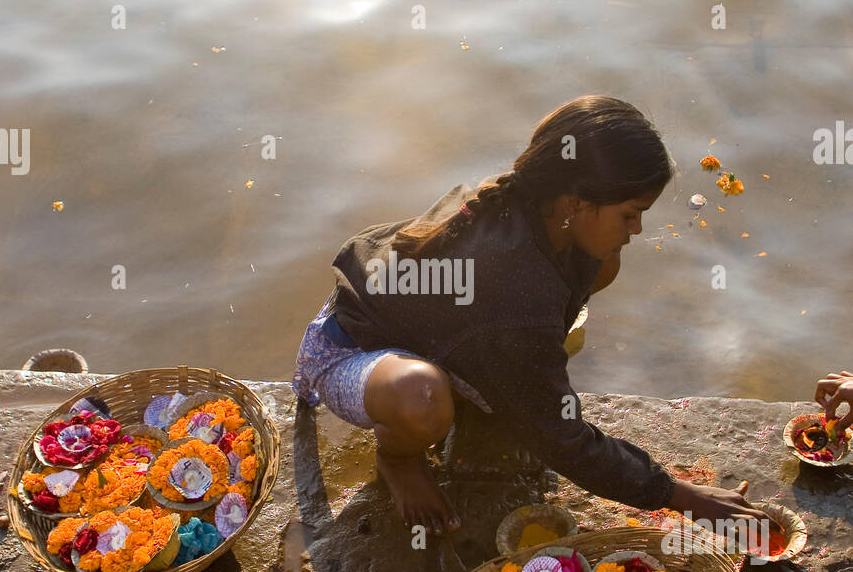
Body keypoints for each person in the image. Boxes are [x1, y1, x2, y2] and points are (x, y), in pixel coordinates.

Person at [292, 96, 768, 537]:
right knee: (423, 397)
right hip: (350, 348)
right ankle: (398, 459)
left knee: (603, 262)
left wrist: (528, 378)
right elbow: (564, 443)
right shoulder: (510, 288)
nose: (638, 228)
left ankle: (488, 386)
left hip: (431, 329)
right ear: (577, 203)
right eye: (630, 214)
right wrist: (681, 497)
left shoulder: (536, 204)